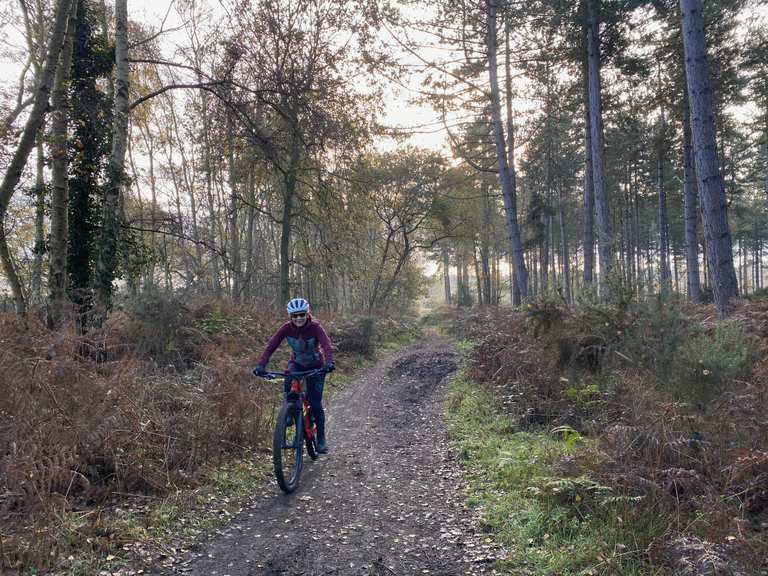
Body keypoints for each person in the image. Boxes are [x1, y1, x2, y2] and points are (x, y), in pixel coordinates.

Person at [254, 298, 335, 453]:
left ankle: (321, 439)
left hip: (316, 367)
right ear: (290, 317)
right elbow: (271, 346)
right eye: (295, 315)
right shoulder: (286, 329)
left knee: (316, 403)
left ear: (307, 314)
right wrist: (261, 365)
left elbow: (326, 345)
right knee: (288, 378)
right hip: (297, 363)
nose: (298, 318)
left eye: (302, 315)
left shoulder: (316, 328)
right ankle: (289, 411)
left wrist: (329, 362)